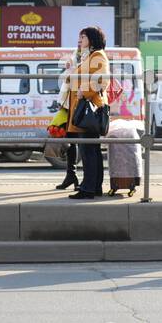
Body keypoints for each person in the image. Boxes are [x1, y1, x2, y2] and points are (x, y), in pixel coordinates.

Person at [65, 26, 110, 199]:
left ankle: (88, 188)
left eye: (83, 37)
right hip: (86, 107)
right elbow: (78, 77)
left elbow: (102, 80)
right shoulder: (90, 57)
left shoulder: (97, 56)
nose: (80, 40)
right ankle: (93, 186)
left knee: (88, 150)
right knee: (91, 149)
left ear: (91, 39)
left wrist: (85, 91)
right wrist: (71, 73)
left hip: (89, 108)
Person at [54, 51, 82, 191]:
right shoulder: (77, 55)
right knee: (71, 141)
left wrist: (71, 68)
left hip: (77, 106)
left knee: (78, 142)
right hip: (69, 106)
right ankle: (72, 175)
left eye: (82, 38)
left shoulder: (88, 58)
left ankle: (76, 178)